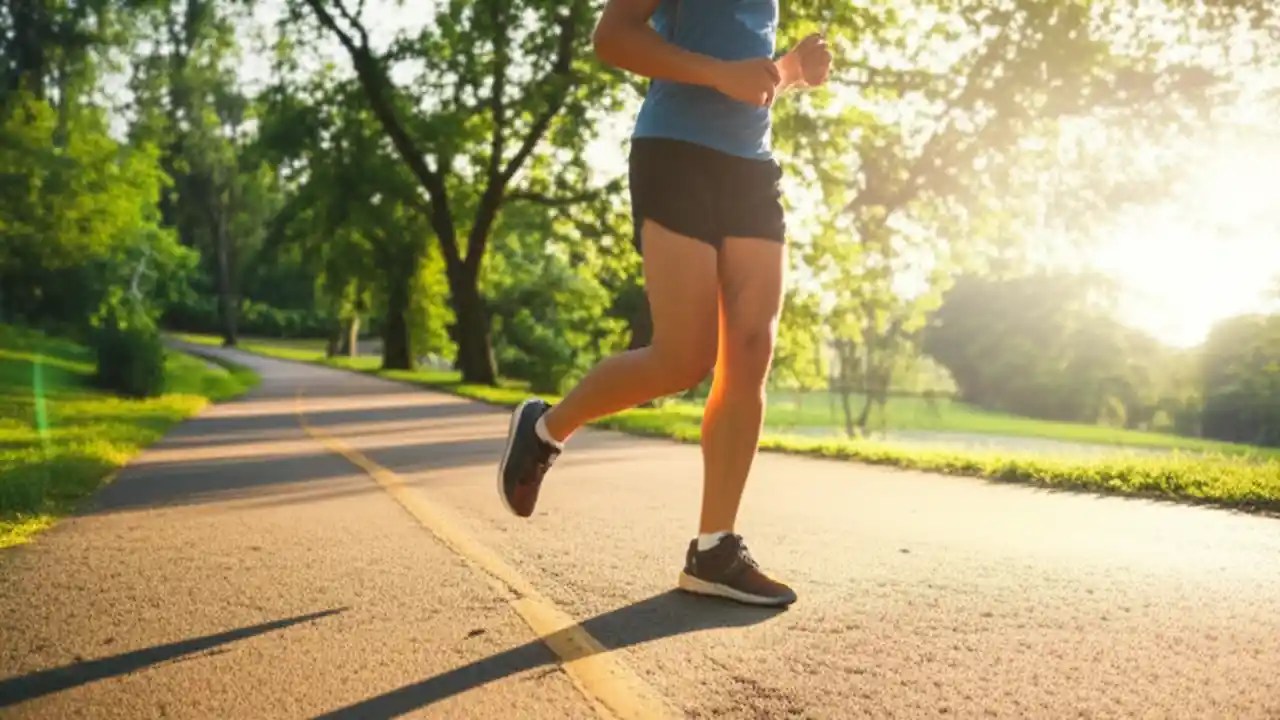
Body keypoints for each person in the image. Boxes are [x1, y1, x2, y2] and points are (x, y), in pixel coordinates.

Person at [498, 0, 832, 607]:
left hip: (752, 166)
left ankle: (715, 549)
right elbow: (614, 37)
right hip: (677, 153)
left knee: (751, 348)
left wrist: (790, 71)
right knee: (684, 358)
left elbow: (748, 77)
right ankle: (545, 430)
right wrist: (718, 74)